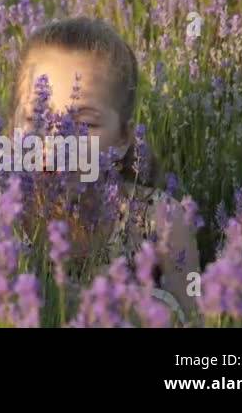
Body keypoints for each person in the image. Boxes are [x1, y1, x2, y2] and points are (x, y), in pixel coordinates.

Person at [10, 17, 201, 325]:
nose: (58, 139)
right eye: (37, 118)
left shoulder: (159, 221)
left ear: (124, 139)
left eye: (85, 123)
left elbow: (195, 319)